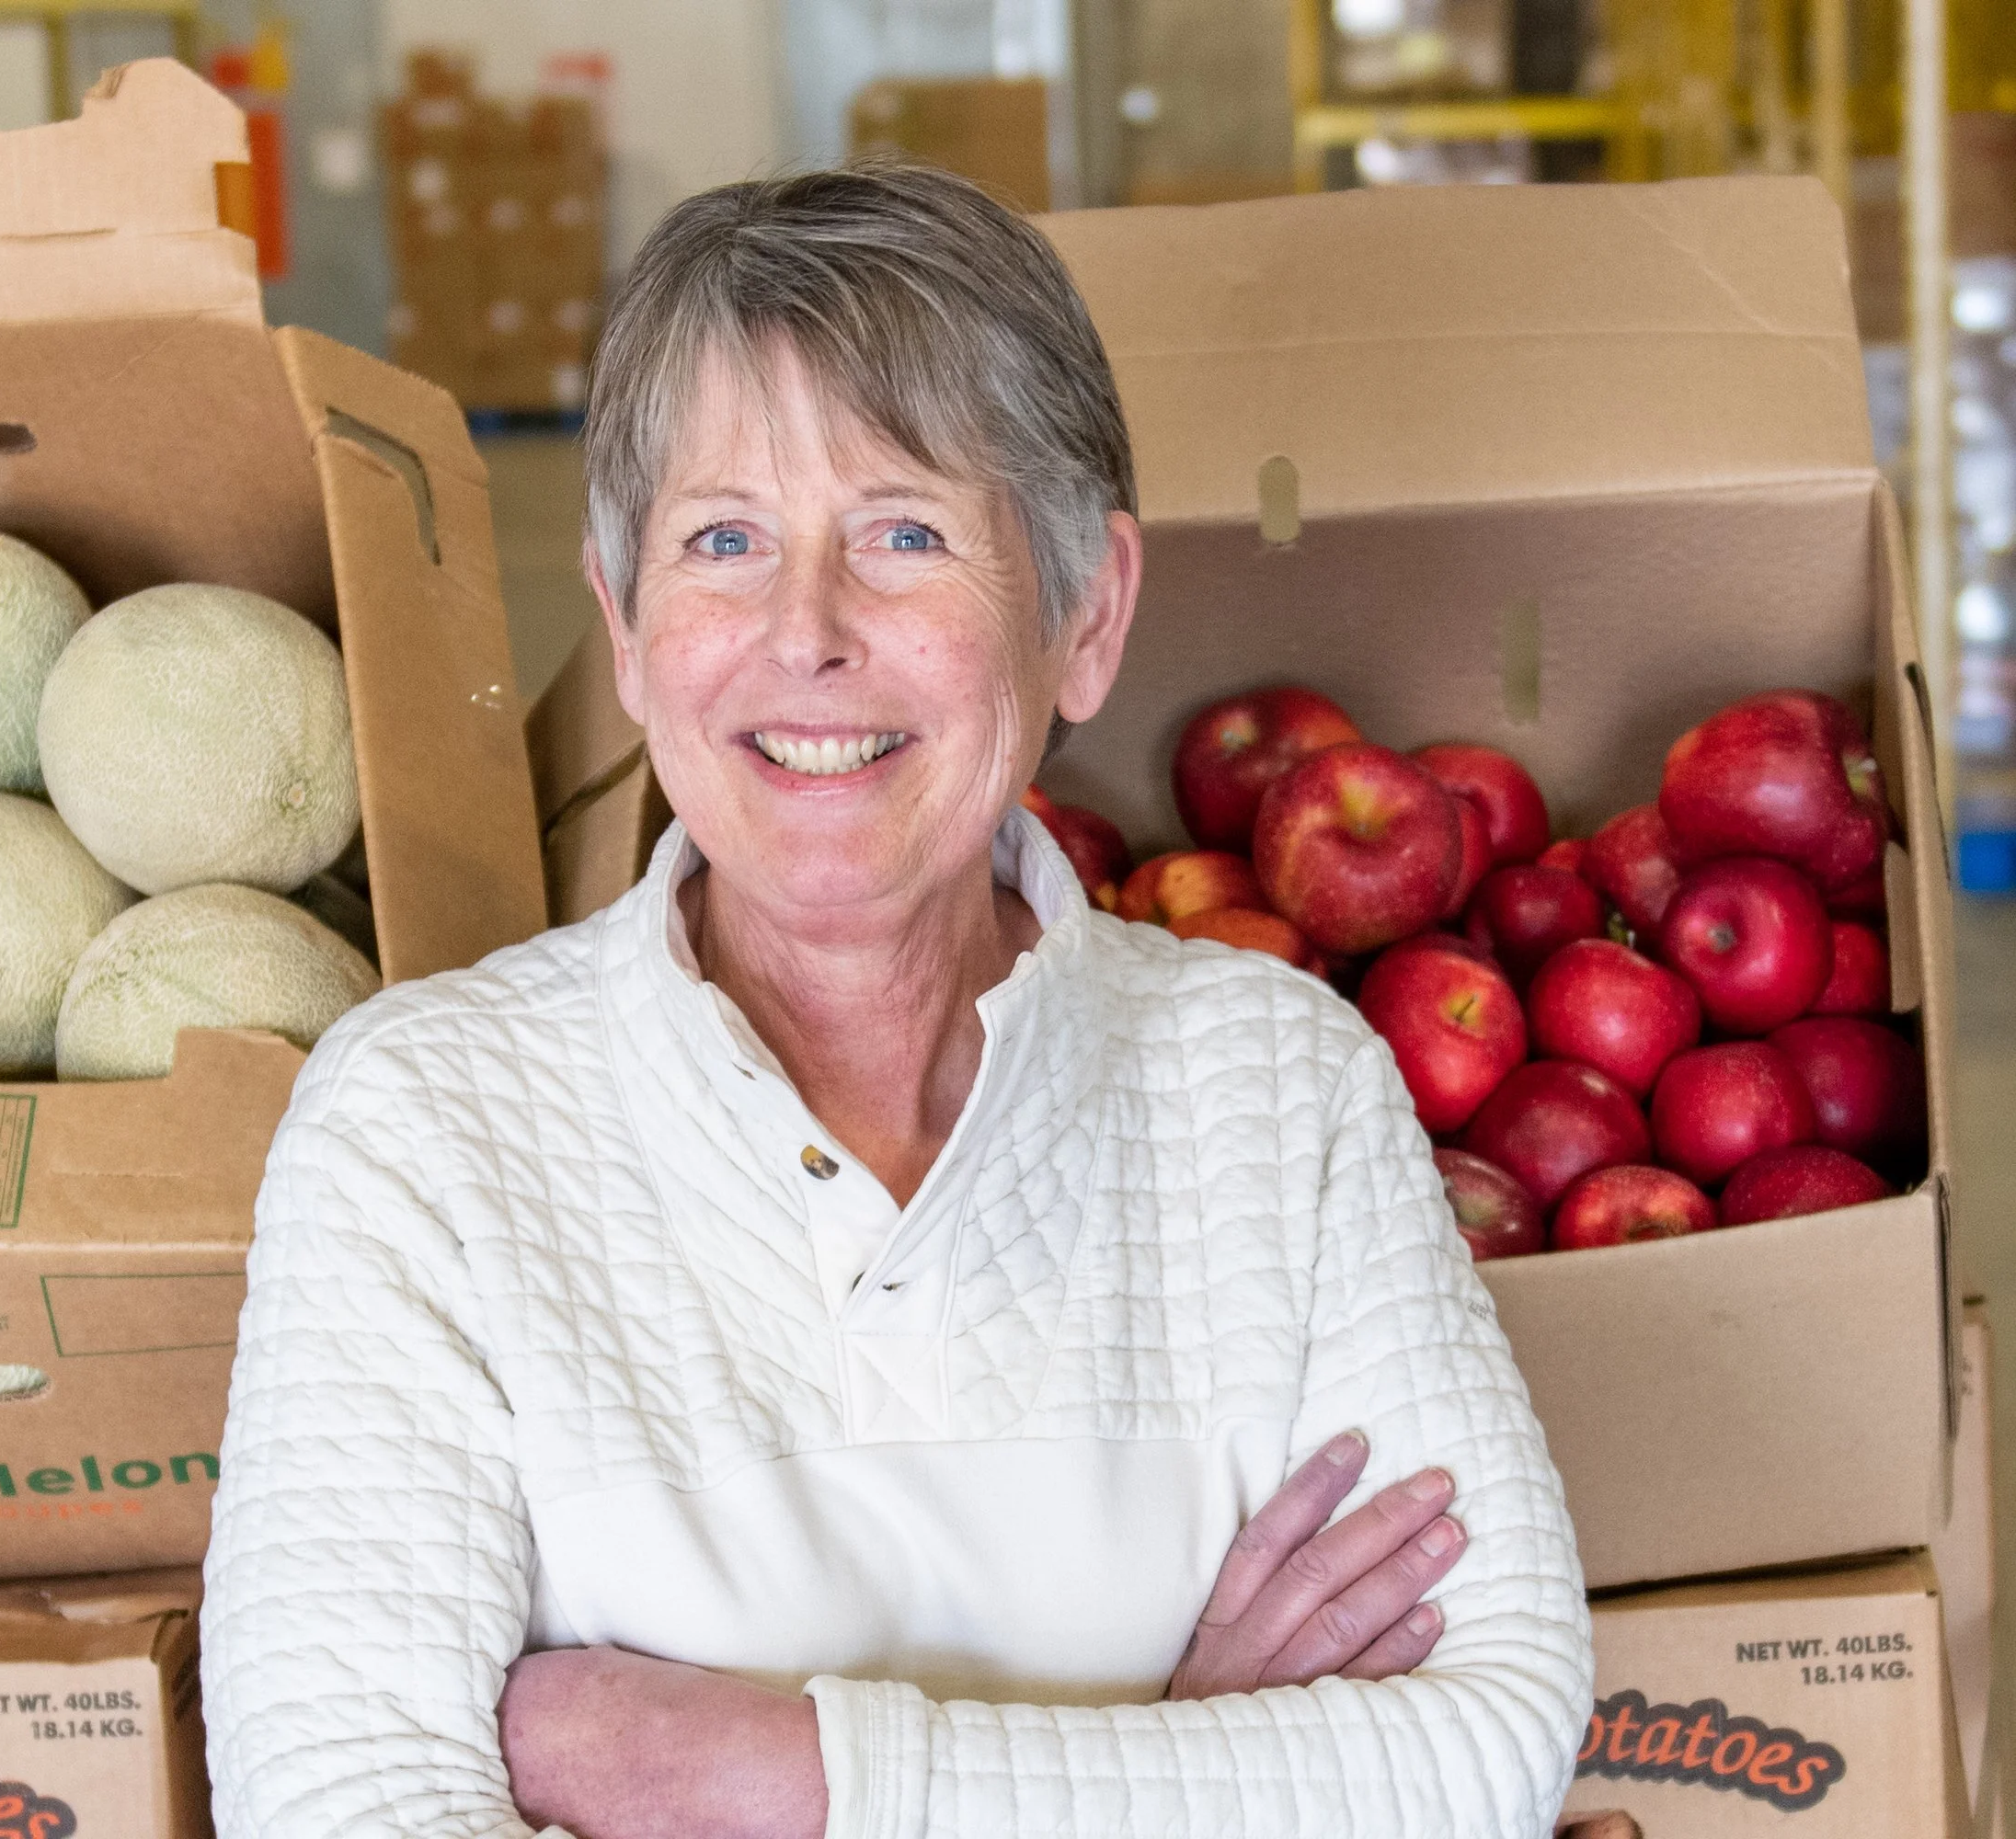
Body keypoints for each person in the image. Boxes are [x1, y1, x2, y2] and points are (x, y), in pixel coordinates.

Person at [200, 162, 1593, 1838]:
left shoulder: (1276, 1087)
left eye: (905, 534)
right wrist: (1185, 1754)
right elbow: (348, 1811)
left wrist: (742, 1774)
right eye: (722, 540)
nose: (806, 634)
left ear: (1085, 617)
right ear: (630, 633)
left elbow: (1485, 1744)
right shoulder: (424, 1127)